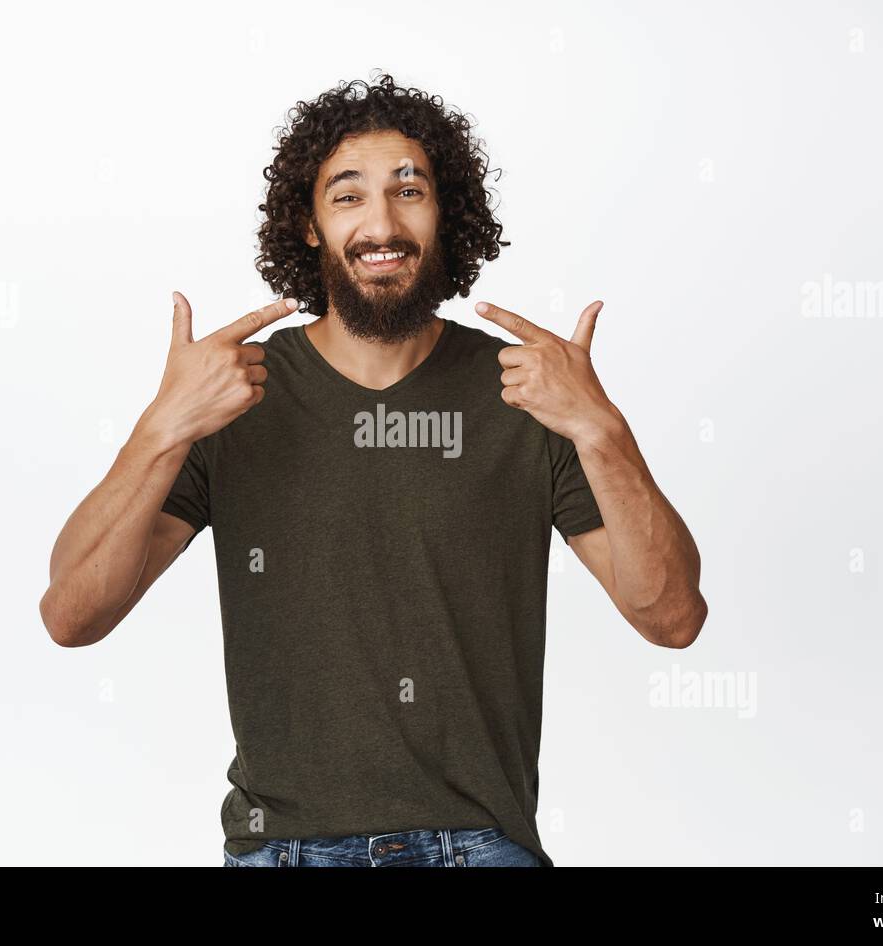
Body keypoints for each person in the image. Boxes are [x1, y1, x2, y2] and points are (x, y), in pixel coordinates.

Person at [39, 72, 707, 868]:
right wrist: (162, 427)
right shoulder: (233, 396)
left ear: (446, 214)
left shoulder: (529, 398)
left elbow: (672, 619)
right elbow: (72, 615)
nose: (381, 223)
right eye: (348, 196)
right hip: (280, 850)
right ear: (311, 224)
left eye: (409, 191)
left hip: (481, 847)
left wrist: (601, 429)